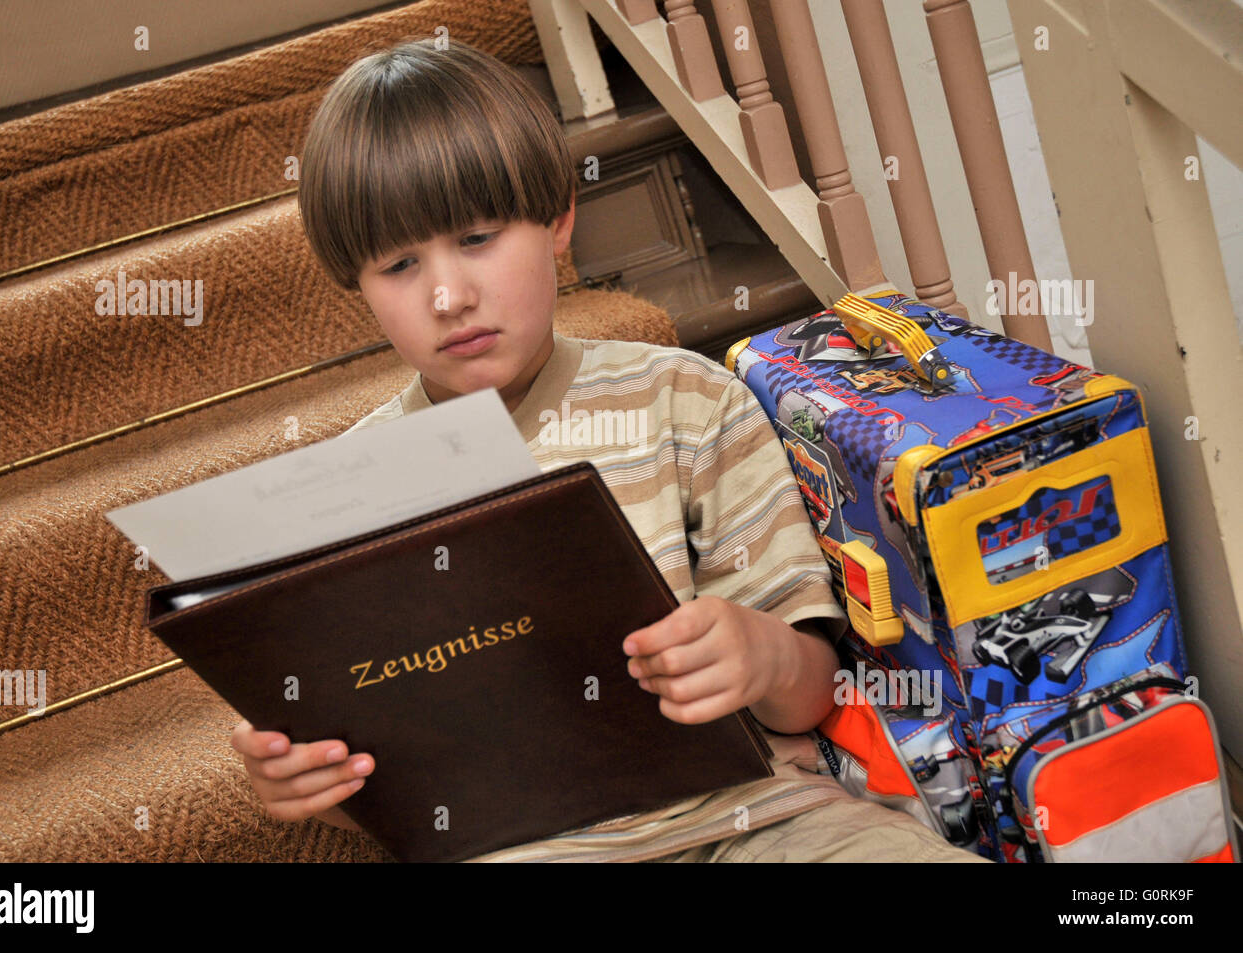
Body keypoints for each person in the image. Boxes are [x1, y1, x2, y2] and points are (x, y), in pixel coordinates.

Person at [230, 37, 990, 863]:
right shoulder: (351, 490)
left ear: (559, 219)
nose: (448, 295)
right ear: (358, 284)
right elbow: (392, 780)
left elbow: (806, 696)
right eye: (400, 264)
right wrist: (308, 781)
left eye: (479, 237)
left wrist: (759, 652)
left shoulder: (687, 400)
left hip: (759, 820)